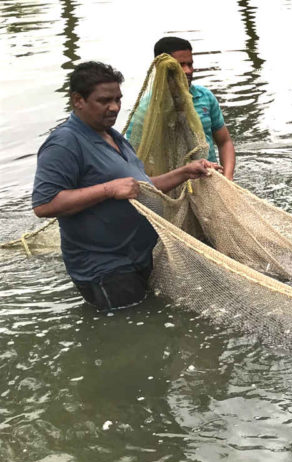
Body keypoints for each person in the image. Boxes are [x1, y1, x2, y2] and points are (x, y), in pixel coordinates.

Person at [32, 61, 220, 311]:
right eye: (104, 101)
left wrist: (185, 172)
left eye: (118, 99)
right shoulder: (64, 144)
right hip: (105, 270)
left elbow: (139, 187)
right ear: (78, 100)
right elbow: (45, 204)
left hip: (139, 258)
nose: (114, 108)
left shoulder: (112, 135)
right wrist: (107, 189)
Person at [140, 37, 236, 178]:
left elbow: (224, 142)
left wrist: (228, 179)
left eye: (190, 64)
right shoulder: (146, 110)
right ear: (161, 67)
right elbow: (138, 158)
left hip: (210, 178)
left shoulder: (205, 97)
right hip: (173, 182)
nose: (188, 70)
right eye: (180, 65)